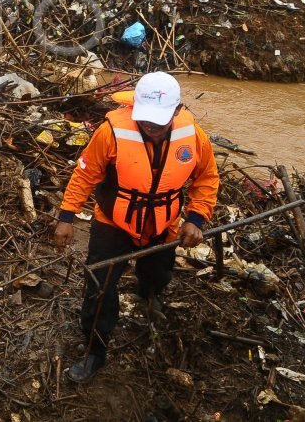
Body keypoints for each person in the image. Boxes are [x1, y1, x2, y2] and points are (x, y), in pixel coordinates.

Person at [54, 72, 219, 383]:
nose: (151, 127)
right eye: (146, 119)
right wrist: (67, 217)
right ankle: (94, 351)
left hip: (164, 223)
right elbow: (85, 175)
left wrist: (196, 218)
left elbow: (207, 178)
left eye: (159, 121)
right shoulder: (110, 133)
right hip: (113, 222)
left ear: (176, 110)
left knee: (158, 274)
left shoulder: (193, 135)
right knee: (99, 288)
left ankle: (149, 294)